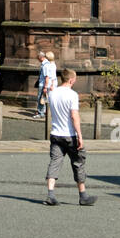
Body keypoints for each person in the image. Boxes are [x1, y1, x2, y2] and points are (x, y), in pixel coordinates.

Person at [44, 68, 96, 207]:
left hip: (55, 134)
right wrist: (80, 136)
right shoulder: (72, 95)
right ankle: (83, 196)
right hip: (69, 135)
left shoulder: (52, 93)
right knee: (78, 163)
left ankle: (50, 194)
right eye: (75, 79)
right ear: (71, 80)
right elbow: (74, 116)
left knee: (55, 162)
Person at [36, 50, 57, 119]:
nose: (37, 60)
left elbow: (47, 77)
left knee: (41, 98)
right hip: (48, 84)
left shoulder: (46, 65)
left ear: (40, 57)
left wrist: (45, 87)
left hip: (44, 84)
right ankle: (44, 112)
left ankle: (41, 113)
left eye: (38, 58)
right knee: (45, 99)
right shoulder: (50, 64)